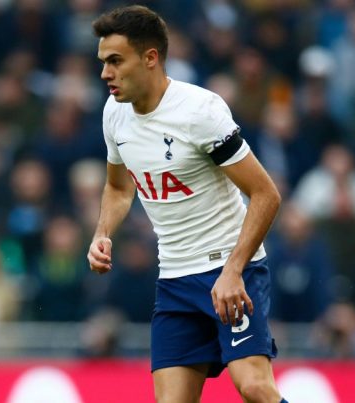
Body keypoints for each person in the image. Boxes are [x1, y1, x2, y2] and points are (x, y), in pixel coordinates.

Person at [87, 6, 286, 403]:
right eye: (103, 62)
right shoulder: (114, 114)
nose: (105, 73)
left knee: (254, 388)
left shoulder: (200, 112)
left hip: (229, 269)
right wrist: (102, 232)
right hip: (175, 280)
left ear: (150, 58)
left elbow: (266, 195)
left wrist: (233, 271)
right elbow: (119, 188)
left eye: (115, 61)